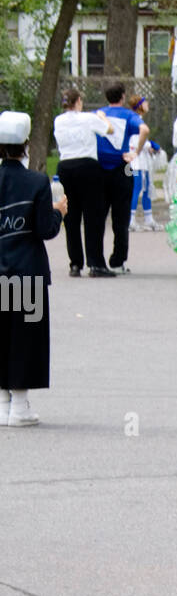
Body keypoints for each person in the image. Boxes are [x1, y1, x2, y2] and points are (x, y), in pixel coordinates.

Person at [0, 111, 67, 427]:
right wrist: (59, 212)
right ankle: (21, 405)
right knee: (26, 337)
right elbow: (45, 230)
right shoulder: (37, 182)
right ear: (25, 144)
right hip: (27, 272)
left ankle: (2, 403)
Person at [52, 88, 115, 276]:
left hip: (65, 166)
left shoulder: (58, 120)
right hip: (87, 165)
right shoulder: (89, 118)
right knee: (93, 216)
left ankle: (75, 263)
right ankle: (95, 263)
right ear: (78, 101)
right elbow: (109, 130)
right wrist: (102, 116)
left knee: (71, 216)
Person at [97, 82, 149, 273]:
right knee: (121, 216)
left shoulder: (99, 114)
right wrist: (137, 151)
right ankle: (118, 260)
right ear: (123, 97)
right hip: (123, 165)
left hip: (100, 167)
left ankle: (96, 258)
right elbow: (145, 130)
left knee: (99, 216)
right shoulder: (129, 115)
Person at [127, 96, 158, 232]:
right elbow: (134, 142)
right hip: (135, 162)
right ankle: (131, 220)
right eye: (144, 102)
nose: (147, 104)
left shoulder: (139, 120)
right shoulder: (135, 121)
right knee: (136, 188)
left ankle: (149, 218)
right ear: (139, 105)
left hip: (144, 162)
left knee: (147, 189)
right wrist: (149, 145)